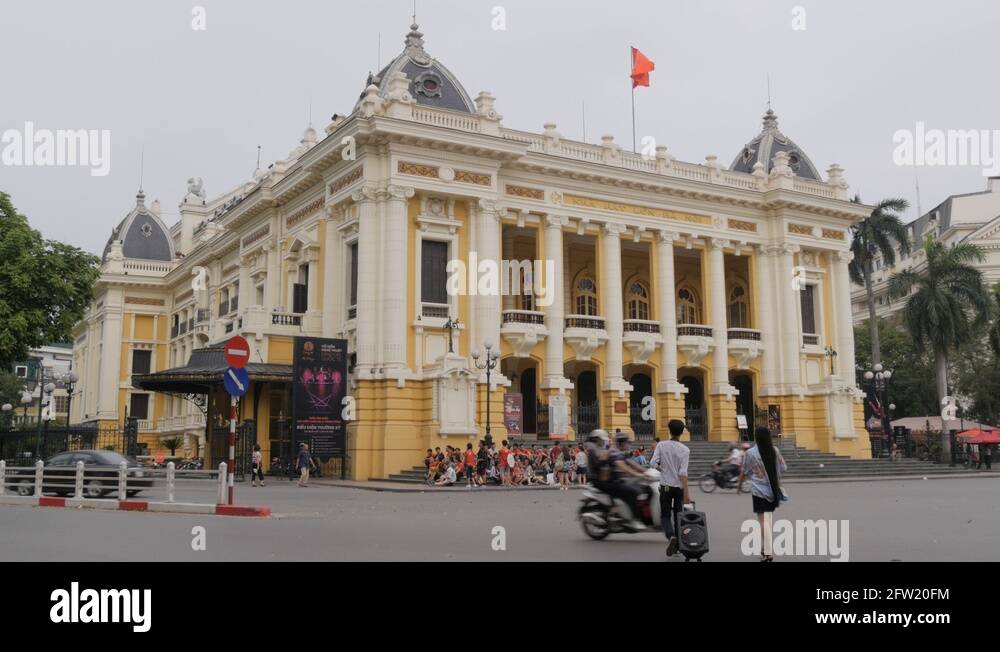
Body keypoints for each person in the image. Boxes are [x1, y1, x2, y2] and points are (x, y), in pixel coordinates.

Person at [737, 427, 787, 562]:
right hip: (773, 489)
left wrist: (739, 485)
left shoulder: (751, 453)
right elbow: (783, 467)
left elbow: (745, 471)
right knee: (768, 519)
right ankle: (765, 549)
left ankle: (769, 553)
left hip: (759, 491)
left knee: (763, 521)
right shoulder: (775, 450)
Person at [649, 419, 691, 556]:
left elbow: (652, 463)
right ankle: (678, 545)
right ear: (682, 432)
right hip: (678, 487)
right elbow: (683, 473)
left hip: (665, 486)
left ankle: (671, 536)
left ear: (669, 430)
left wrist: (663, 470)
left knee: (665, 515)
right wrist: (687, 493)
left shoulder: (661, 445)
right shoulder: (685, 450)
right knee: (678, 514)